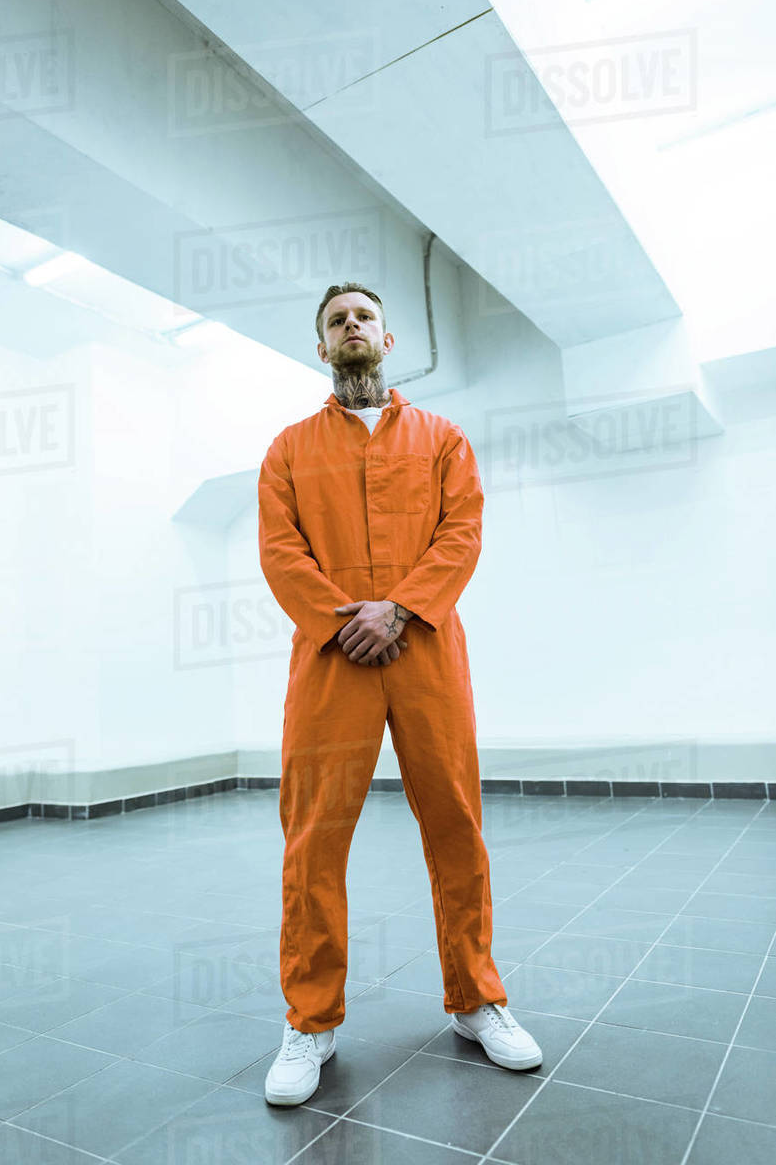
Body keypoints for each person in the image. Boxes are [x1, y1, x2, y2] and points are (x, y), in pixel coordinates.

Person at [257, 282, 542, 1106]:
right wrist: (342, 619)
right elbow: (280, 551)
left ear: (387, 340)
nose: (351, 328)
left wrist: (402, 608)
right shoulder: (287, 449)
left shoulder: (442, 438)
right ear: (322, 348)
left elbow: (462, 532)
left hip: (424, 648)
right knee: (312, 840)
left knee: (455, 824)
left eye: (363, 318)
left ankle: (478, 1000)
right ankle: (310, 1020)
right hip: (330, 654)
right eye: (335, 321)